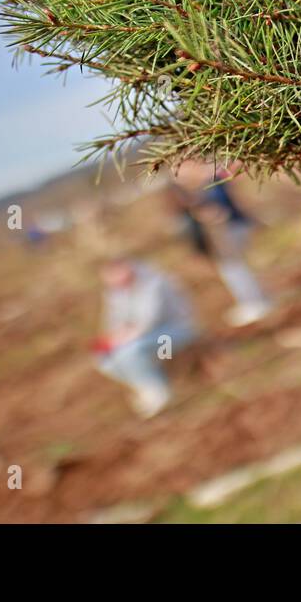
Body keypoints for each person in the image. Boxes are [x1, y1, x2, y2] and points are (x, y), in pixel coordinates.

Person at [168, 160, 274, 327]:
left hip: (229, 232)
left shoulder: (212, 182)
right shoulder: (201, 185)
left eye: (180, 172)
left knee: (234, 269)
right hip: (225, 234)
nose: (180, 178)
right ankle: (257, 299)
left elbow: (219, 211)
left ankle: (256, 303)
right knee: (234, 269)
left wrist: (208, 214)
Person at [93, 258, 198, 418]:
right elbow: (113, 322)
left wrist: (126, 337)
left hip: (173, 333)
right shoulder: (116, 293)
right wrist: (114, 338)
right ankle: (147, 389)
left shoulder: (154, 282)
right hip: (144, 338)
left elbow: (150, 319)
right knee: (104, 360)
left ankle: (161, 393)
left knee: (130, 351)